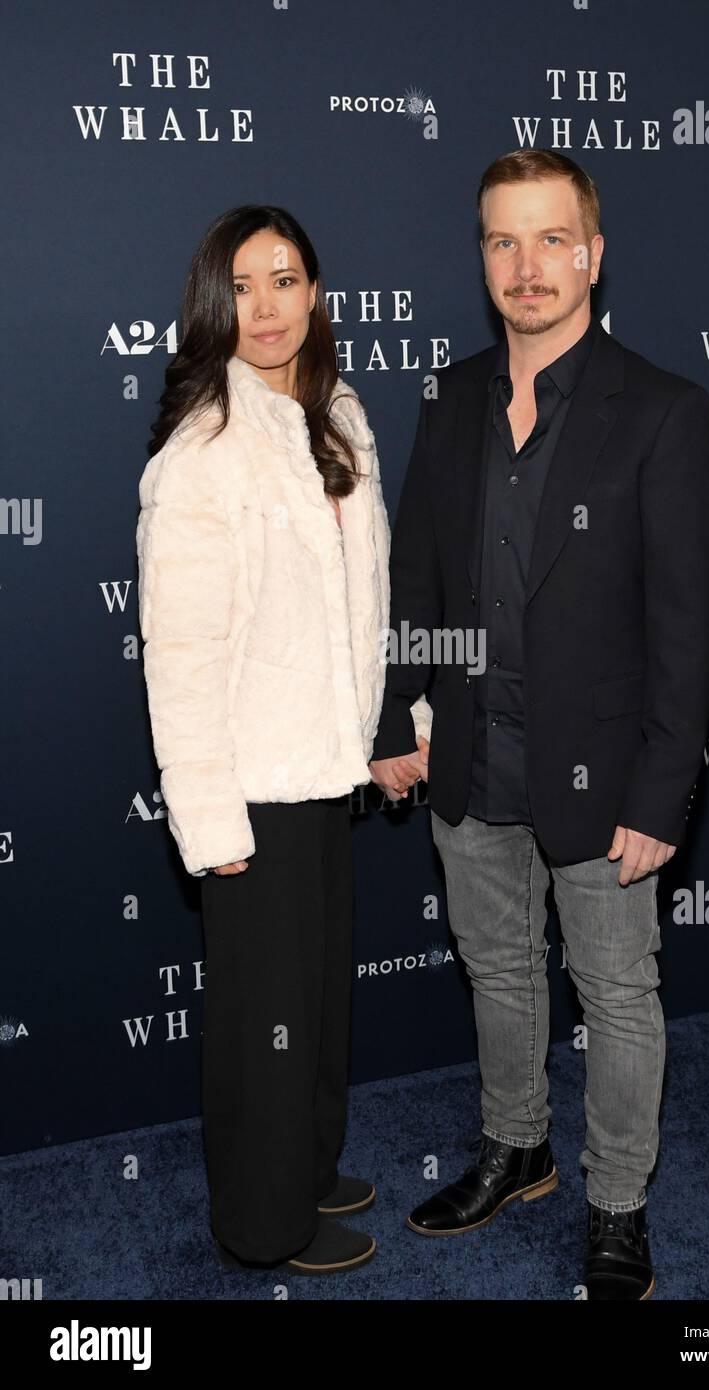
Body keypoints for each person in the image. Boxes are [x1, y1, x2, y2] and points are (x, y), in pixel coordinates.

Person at [369, 150, 709, 1300]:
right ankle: (514, 1147)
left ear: (594, 254)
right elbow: (416, 572)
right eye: (501, 242)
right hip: (473, 748)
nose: (527, 267)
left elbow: (686, 622)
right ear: (481, 257)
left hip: (607, 769)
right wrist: (395, 712)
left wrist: (662, 791)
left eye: (550, 240)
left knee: (618, 996)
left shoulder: (662, 411)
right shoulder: (451, 393)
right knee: (500, 968)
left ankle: (617, 1205)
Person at [136, 204, 431, 1275]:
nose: (267, 306)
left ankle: (305, 1165)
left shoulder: (337, 415)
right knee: (259, 1018)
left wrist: (393, 729)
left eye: (287, 279)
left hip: (322, 765)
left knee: (309, 998)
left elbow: (367, 601)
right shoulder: (202, 453)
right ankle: (263, 1225)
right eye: (245, 285)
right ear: (216, 304)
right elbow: (180, 655)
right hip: (251, 780)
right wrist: (208, 814)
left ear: (316, 295)